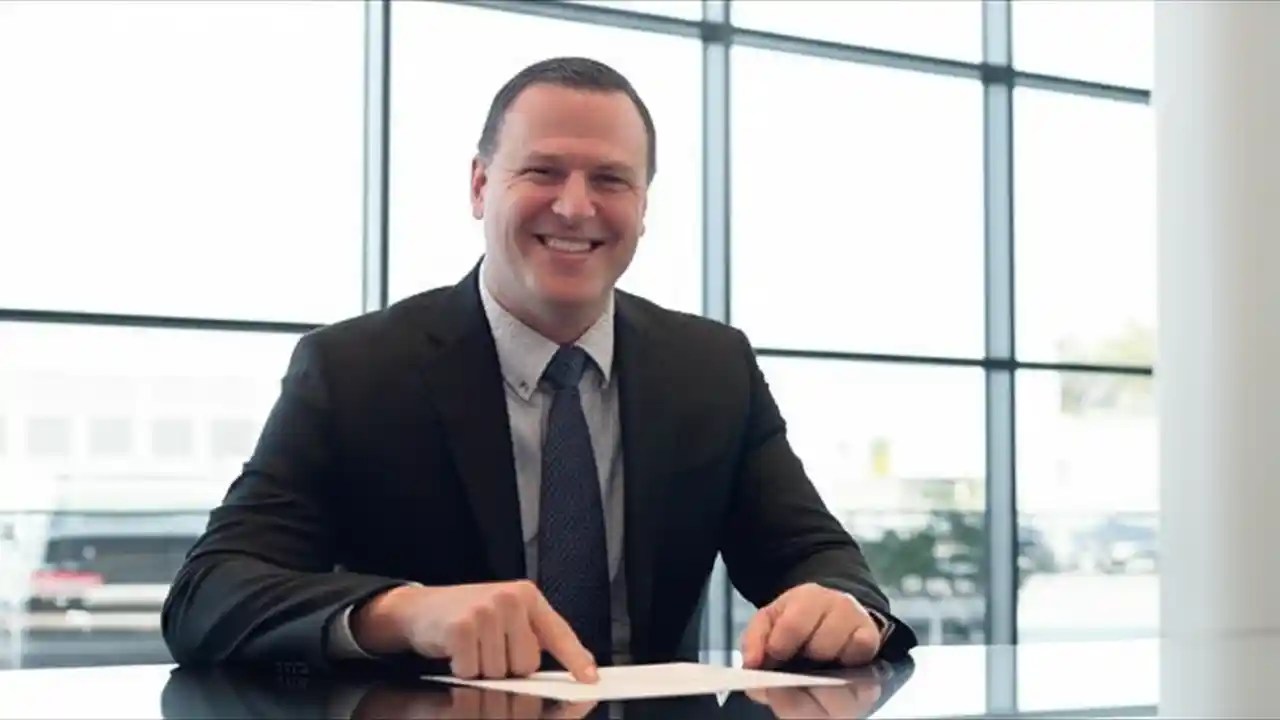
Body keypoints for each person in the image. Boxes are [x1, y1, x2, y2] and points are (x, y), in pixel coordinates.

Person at [161, 56, 917, 682]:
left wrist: (842, 604)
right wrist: (405, 611)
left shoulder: (711, 367)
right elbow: (209, 593)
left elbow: (813, 555)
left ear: (645, 206)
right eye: (543, 171)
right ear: (480, 186)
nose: (577, 207)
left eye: (612, 180)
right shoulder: (356, 368)